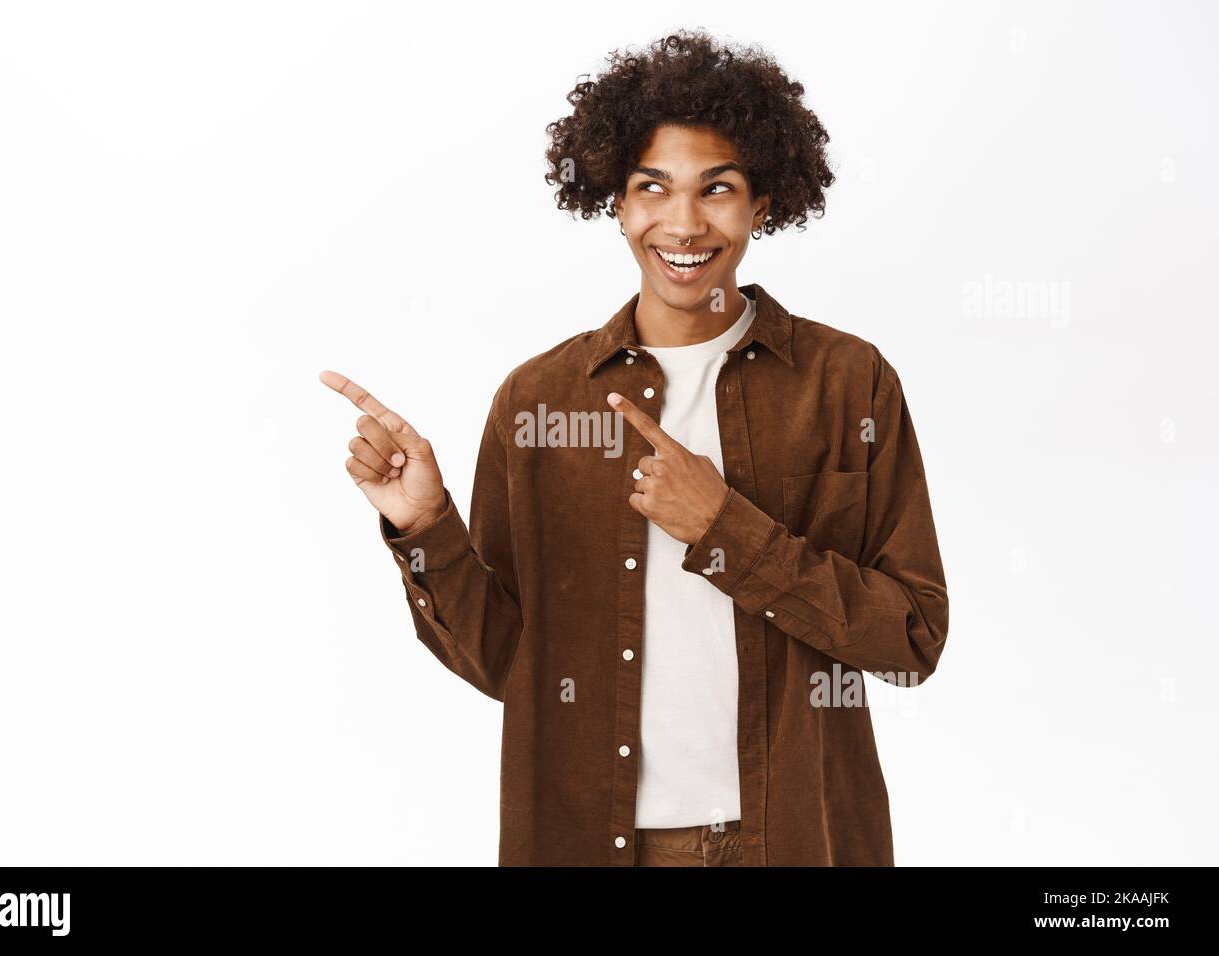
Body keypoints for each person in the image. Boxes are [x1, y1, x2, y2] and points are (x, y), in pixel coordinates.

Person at [321, 29, 948, 866]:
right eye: (653, 188)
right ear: (615, 203)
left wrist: (726, 527)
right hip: (594, 844)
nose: (684, 223)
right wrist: (428, 527)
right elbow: (506, 663)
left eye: (717, 189)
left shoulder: (846, 384)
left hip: (794, 840)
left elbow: (910, 640)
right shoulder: (538, 402)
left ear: (763, 204)